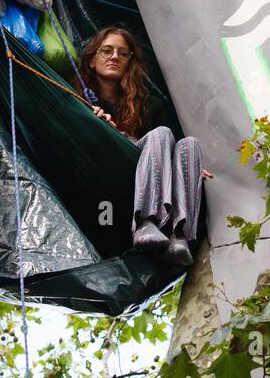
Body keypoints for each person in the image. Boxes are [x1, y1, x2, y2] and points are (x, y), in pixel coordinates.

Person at [78, 27, 205, 267]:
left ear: (129, 63)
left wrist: (193, 167)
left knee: (189, 145)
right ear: (93, 60)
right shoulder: (80, 100)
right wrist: (93, 121)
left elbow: (171, 149)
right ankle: (146, 222)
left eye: (123, 53)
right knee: (162, 134)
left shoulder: (148, 105)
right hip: (113, 181)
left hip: (151, 173)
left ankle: (180, 238)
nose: (114, 56)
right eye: (106, 51)